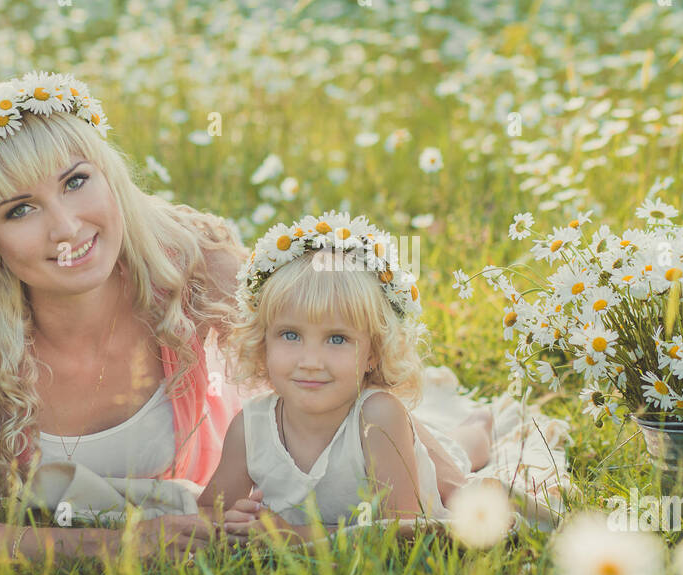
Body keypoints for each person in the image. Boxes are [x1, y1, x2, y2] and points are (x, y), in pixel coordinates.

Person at [0, 72, 244, 565]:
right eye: (20, 210)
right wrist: (108, 549)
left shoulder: (194, 263)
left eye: (76, 181)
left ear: (109, 176)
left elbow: (349, 378)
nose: (66, 228)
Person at [197, 213, 498, 543]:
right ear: (263, 340)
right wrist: (231, 520)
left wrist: (294, 535)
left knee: (460, 453)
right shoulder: (250, 427)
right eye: (290, 335)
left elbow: (401, 532)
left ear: (372, 353)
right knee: (451, 446)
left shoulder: (379, 417)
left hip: (405, 467)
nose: (310, 362)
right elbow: (210, 507)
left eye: (337, 339)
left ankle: (481, 424)